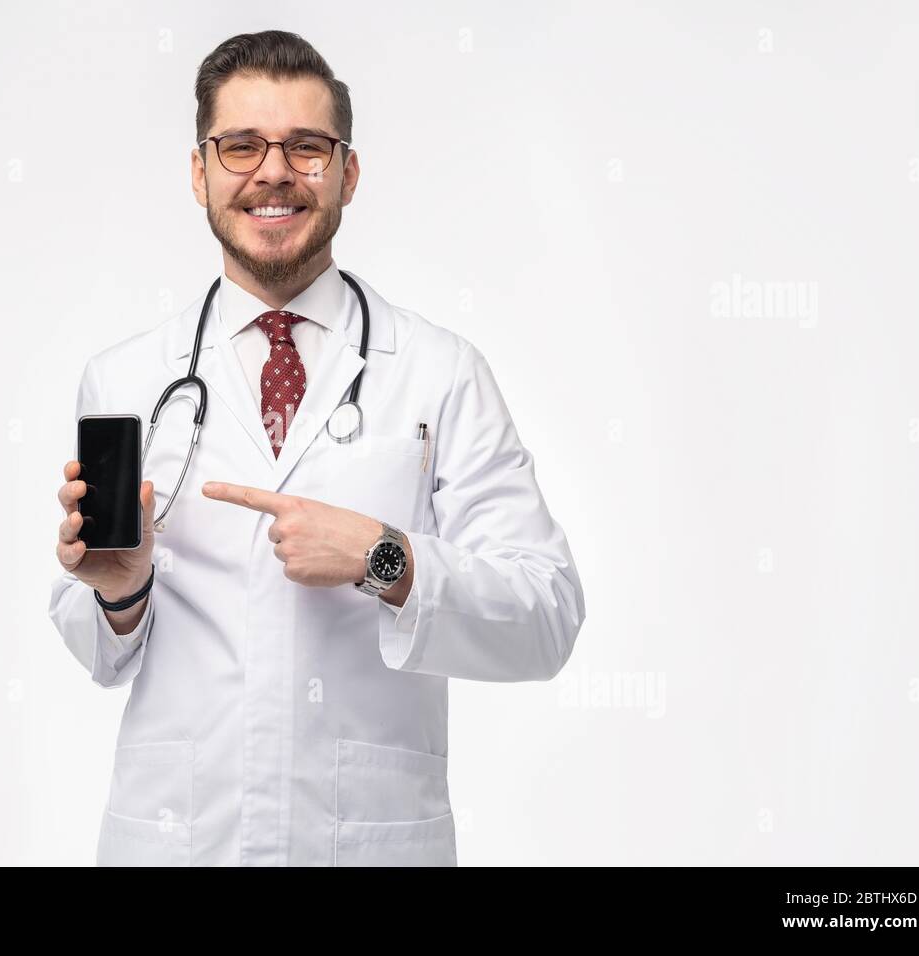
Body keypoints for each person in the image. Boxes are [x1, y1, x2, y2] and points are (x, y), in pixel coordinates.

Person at [50, 30, 585, 866]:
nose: (273, 172)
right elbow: (99, 655)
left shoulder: (440, 374)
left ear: (347, 173)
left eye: (306, 147)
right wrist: (122, 595)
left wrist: (385, 558)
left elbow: (547, 617)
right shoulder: (125, 379)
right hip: (180, 840)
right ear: (200, 172)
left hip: (367, 843)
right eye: (240, 146)